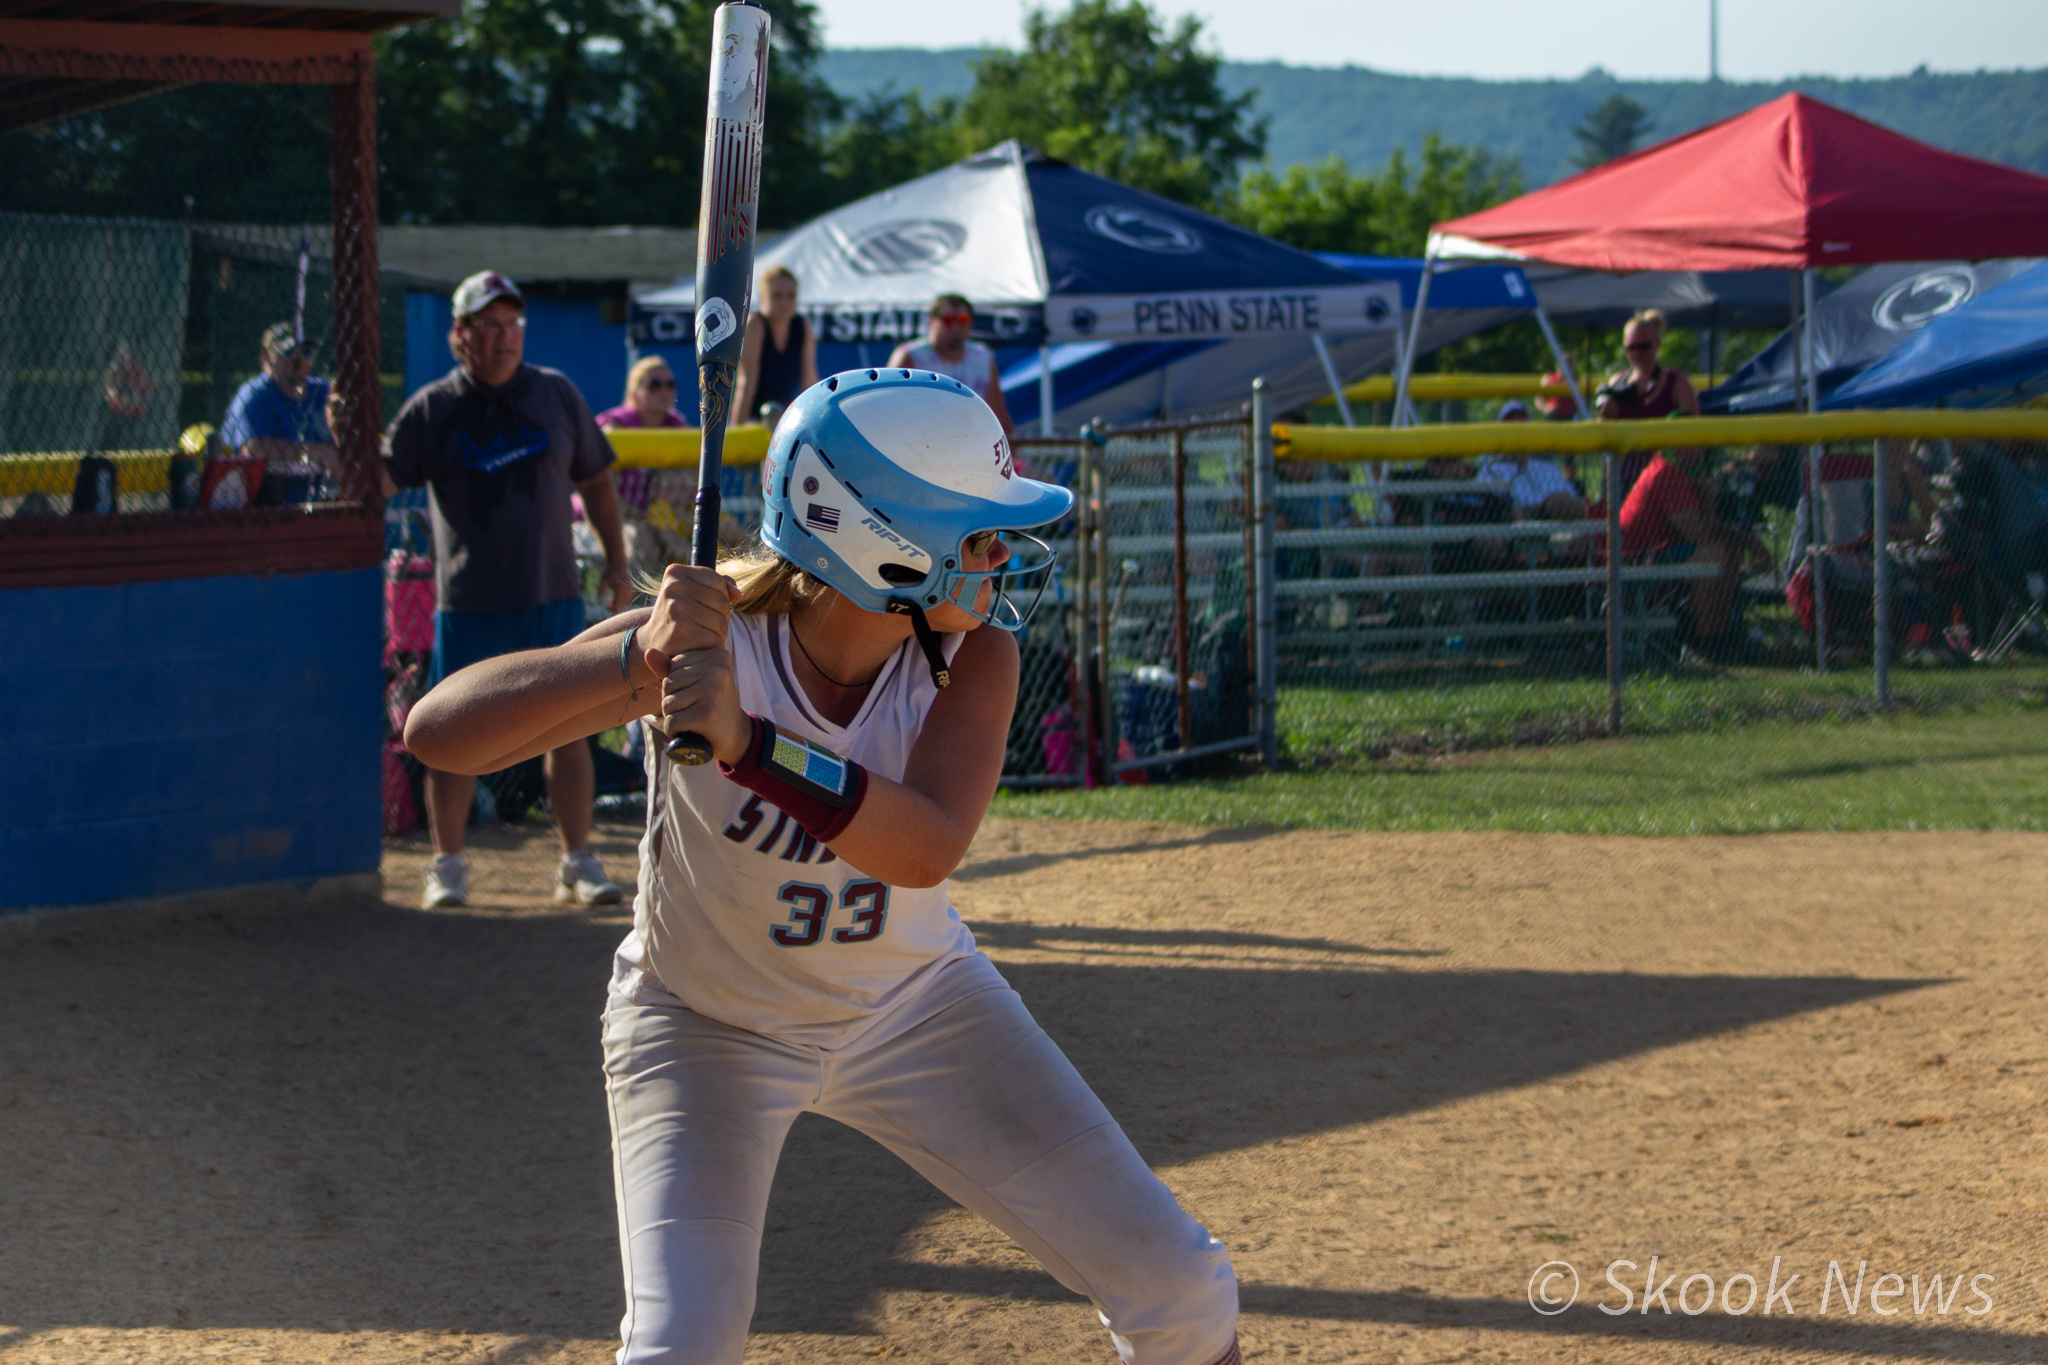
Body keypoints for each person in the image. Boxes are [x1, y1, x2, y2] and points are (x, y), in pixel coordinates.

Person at [400, 368, 1242, 1365]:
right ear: (883, 546)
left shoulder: (975, 655)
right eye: (975, 537)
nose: (1001, 559)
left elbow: (924, 845)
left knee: (1179, 1285)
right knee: (680, 1349)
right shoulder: (722, 642)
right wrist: (639, 664)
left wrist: (750, 746)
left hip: (917, 1005)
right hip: (700, 1025)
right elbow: (439, 734)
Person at [382, 269, 634, 911]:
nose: (503, 338)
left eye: (512, 325)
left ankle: (576, 860)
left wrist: (615, 560)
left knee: (569, 727)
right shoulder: (434, 408)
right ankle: (448, 864)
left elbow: (598, 484)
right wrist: (348, 438)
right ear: (459, 337)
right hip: (468, 601)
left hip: (550, 593)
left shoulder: (554, 393)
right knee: (451, 733)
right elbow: (380, 481)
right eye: (488, 327)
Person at [1619, 445, 1769, 653]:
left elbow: (1709, 528)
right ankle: (1706, 643)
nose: (1696, 454)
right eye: (1689, 447)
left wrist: (1749, 542)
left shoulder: (1681, 473)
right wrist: (1708, 495)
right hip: (1635, 565)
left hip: (1656, 556)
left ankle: (1721, 635)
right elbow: (1699, 535)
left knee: (1731, 551)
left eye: (1698, 448)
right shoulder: (1667, 472)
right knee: (1711, 554)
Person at [598, 357, 696, 590]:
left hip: (657, 514)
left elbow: (690, 485)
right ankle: (629, 610)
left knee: (723, 531)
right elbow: (601, 490)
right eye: (654, 385)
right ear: (634, 392)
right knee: (643, 540)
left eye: (670, 384)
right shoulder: (616, 427)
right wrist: (653, 520)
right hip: (614, 516)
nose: (664, 391)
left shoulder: (676, 426)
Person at [1596, 309, 1699, 500]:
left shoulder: (1676, 382)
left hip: (1663, 484)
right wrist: (1605, 415)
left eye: (1644, 347)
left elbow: (1694, 445)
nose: (1637, 353)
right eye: (1631, 348)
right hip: (1622, 479)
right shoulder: (1617, 382)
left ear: (1657, 344)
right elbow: (1603, 437)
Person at [221, 322, 338, 485]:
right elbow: (253, 450)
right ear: (266, 358)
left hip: (320, 500)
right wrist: (317, 453)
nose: (297, 358)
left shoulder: (323, 392)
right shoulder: (254, 395)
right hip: (265, 504)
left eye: (306, 351)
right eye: (288, 352)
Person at [889, 294, 1015, 435]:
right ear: (931, 322)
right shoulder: (910, 357)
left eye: (963, 320)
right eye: (948, 320)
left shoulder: (983, 357)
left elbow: (998, 416)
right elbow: (891, 411)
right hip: (922, 441)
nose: (956, 327)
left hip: (971, 442)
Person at [733, 265, 819, 426]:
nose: (784, 302)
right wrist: (736, 432)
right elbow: (746, 383)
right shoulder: (756, 325)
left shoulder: (802, 325)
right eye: (777, 296)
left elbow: (809, 382)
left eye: (790, 296)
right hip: (755, 422)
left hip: (785, 421)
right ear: (763, 297)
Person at [1475, 400, 1586, 521]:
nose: (1517, 430)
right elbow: (1495, 505)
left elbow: (1566, 497)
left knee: (1565, 502)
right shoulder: (1492, 465)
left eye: (1522, 424)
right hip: (1514, 523)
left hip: (1555, 520)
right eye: (1511, 424)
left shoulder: (1543, 462)